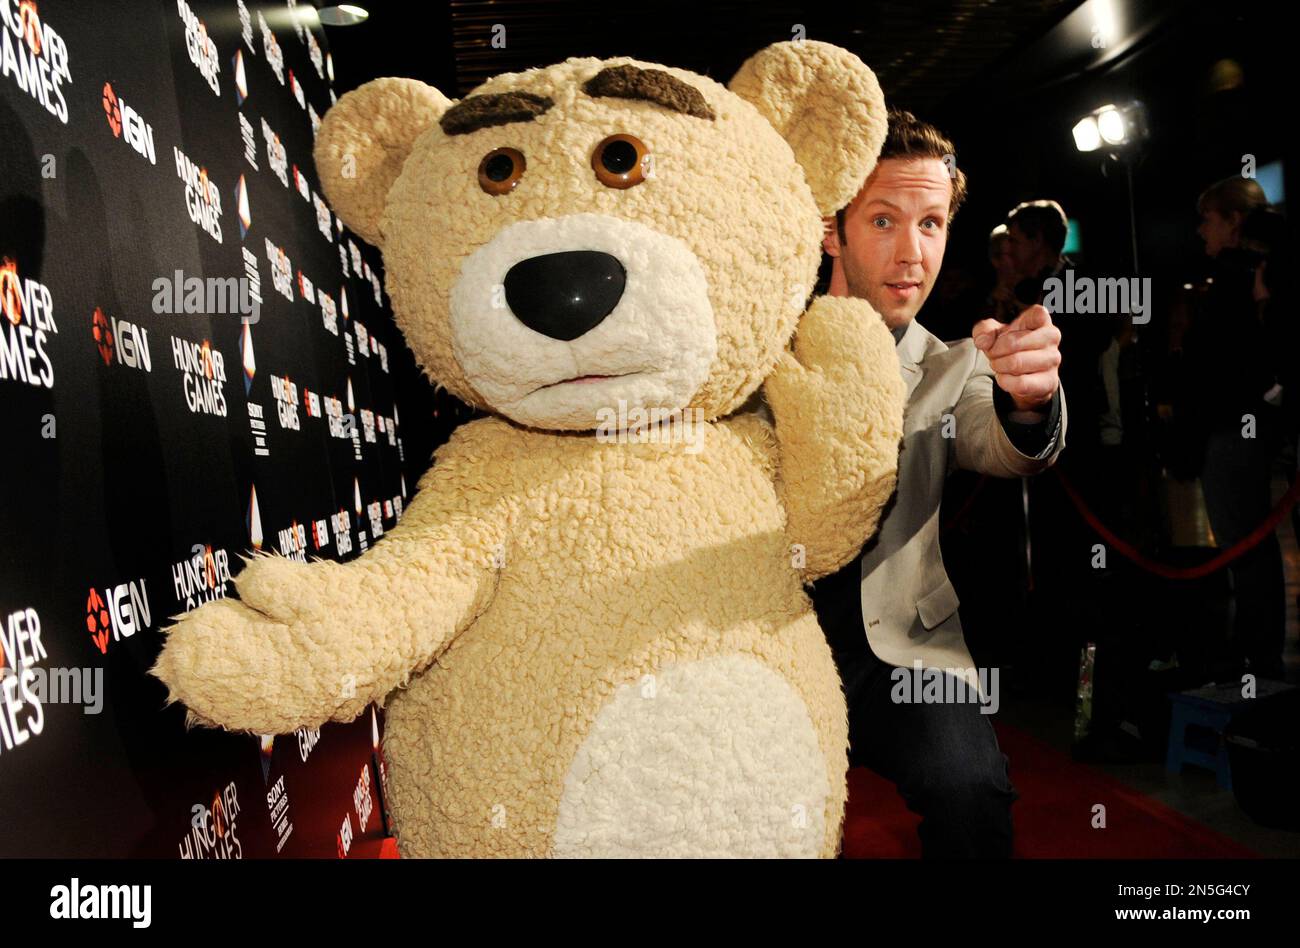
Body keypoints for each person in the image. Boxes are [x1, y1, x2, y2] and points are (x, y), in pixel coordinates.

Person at [813, 109, 1066, 858]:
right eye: (884, 219)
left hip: (905, 650)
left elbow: (1007, 447)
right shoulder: (757, 356)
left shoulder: (956, 365)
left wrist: (1032, 398)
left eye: (930, 224)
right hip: (766, 647)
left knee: (970, 790)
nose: (911, 253)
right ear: (834, 231)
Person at [1182, 177, 1286, 680]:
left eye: (1208, 218)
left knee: (1243, 544)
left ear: (1233, 222)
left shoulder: (1240, 278)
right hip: (1240, 424)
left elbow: (1229, 360)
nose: (1201, 229)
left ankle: (1256, 658)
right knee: (1247, 545)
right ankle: (1255, 653)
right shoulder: (1238, 275)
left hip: (1235, 427)